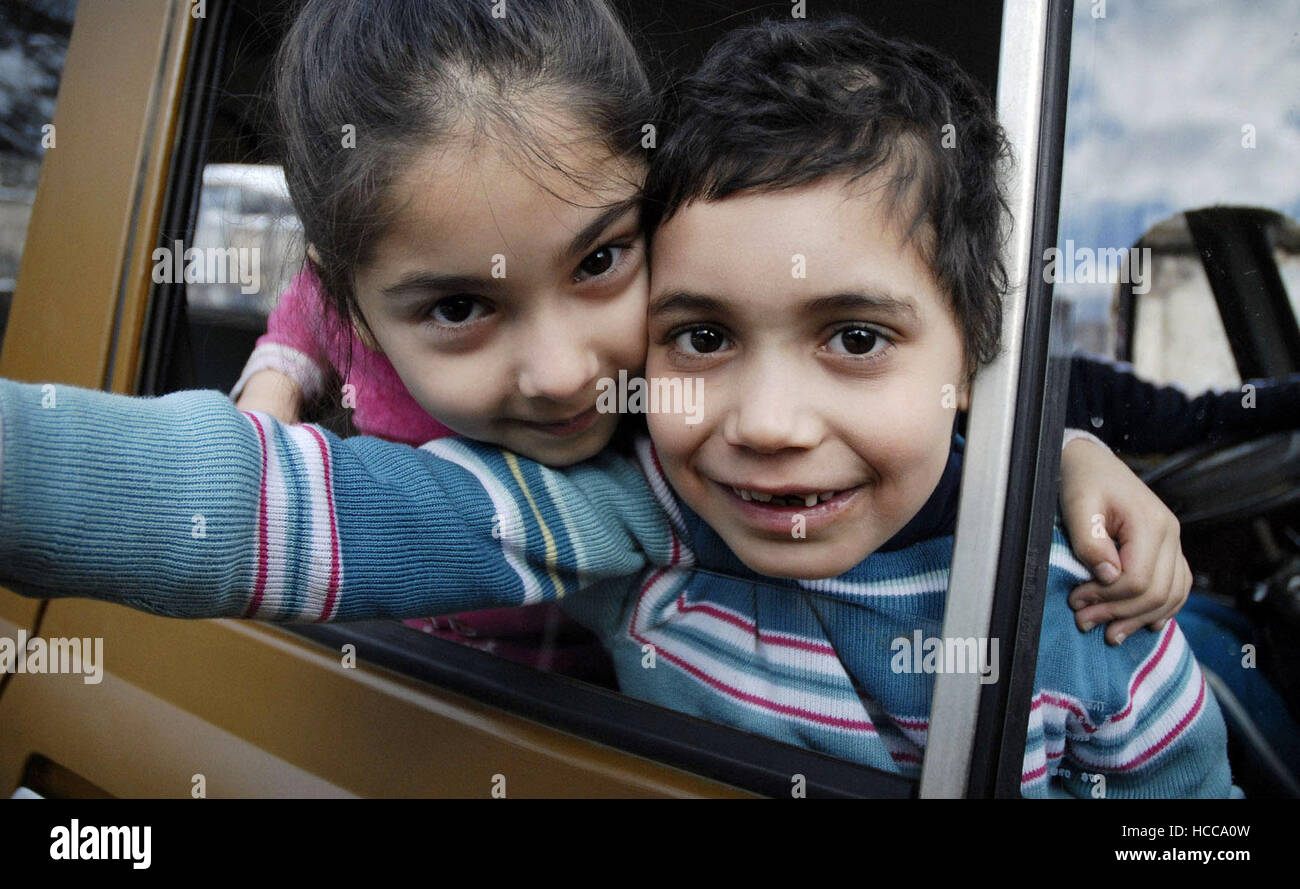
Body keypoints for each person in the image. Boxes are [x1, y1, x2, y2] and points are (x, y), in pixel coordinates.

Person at [0, 17, 1233, 795]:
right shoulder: (618, 510)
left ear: (976, 356)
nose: (766, 421)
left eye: (853, 337)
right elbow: (251, 502)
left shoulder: (1086, 613)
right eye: (700, 334)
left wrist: (1056, 455)